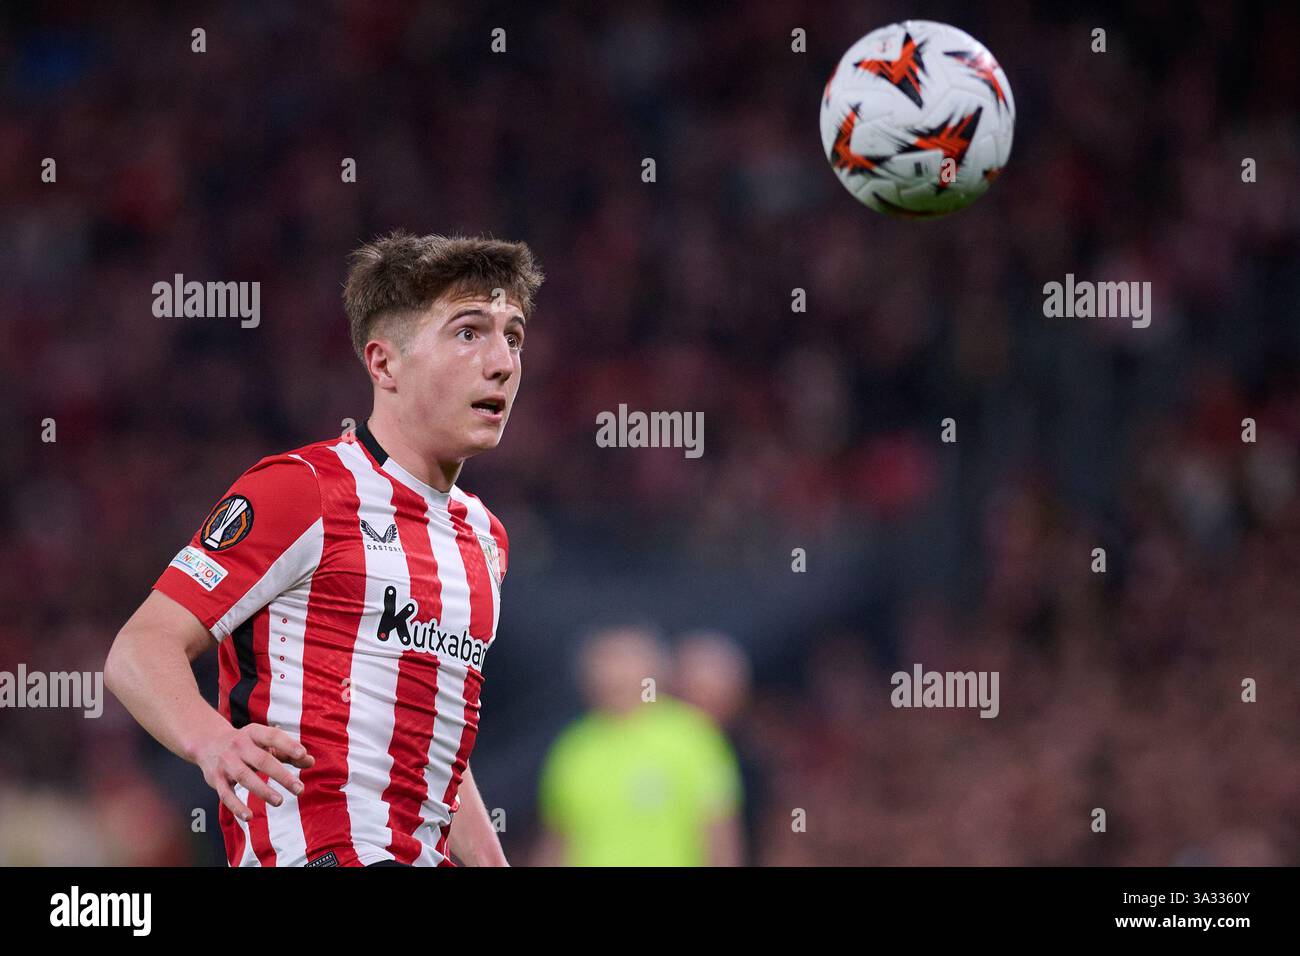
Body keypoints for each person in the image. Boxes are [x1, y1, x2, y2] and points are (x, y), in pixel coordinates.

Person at [104, 231, 543, 867]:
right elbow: (139, 648)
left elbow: (440, 750)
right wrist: (212, 741)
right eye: (469, 332)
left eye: (514, 336)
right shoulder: (302, 490)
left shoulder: (485, 538)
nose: (502, 361)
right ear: (385, 364)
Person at [536, 625, 743, 866]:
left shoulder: (693, 738)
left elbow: (720, 836)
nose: (614, 676)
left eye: (625, 662)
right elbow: (557, 842)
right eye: (607, 664)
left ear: (654, 671)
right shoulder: (573, 748)